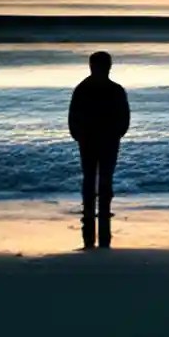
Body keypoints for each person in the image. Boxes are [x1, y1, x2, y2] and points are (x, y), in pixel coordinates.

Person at [68, 50, 131, 249]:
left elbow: (73, 116)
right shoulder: (111, 89)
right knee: (99, 176)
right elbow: (124, 116)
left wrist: (77, 133)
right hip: (100, 139)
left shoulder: (84, 89)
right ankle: (99, 211)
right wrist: (117, 132)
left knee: (94, 176)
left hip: (96, 138)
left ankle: (94, 211)